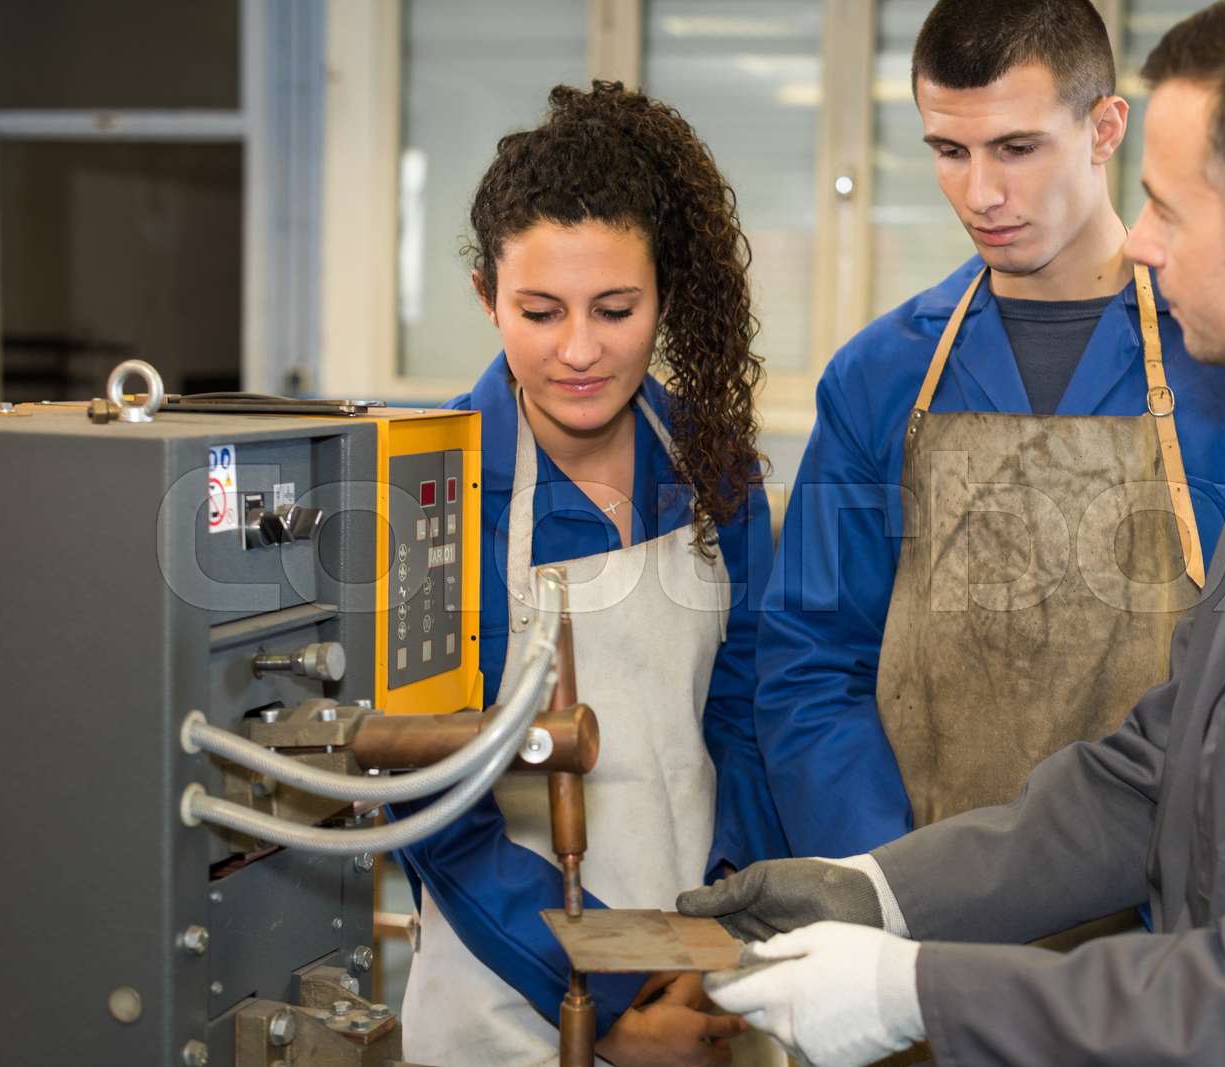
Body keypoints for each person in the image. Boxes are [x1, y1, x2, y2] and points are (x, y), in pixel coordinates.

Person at [680, 1, 1225, 1064]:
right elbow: (1160, 763)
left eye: (1164, 208)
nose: (1138, 243)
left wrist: (916, 987)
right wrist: (879, 884)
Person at [755, 0, 1225, 864]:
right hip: (921, 919)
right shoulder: (878, 380)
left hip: (1161, 926)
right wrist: (896, 891)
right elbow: (811, 663)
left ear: (1106, 128)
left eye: (1017, 148)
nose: (980, 193)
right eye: (949, 152)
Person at [391, 81, 789, 1067]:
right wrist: (615, 999)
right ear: (486, 297)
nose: (578, 350)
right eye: (538, 310)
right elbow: (431, 803)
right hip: (507, 992)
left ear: (664, 296)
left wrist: (706, 942)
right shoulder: (431, 490)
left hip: (699, 968)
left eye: (616, 308)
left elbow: (744, 713)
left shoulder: (711, 467)